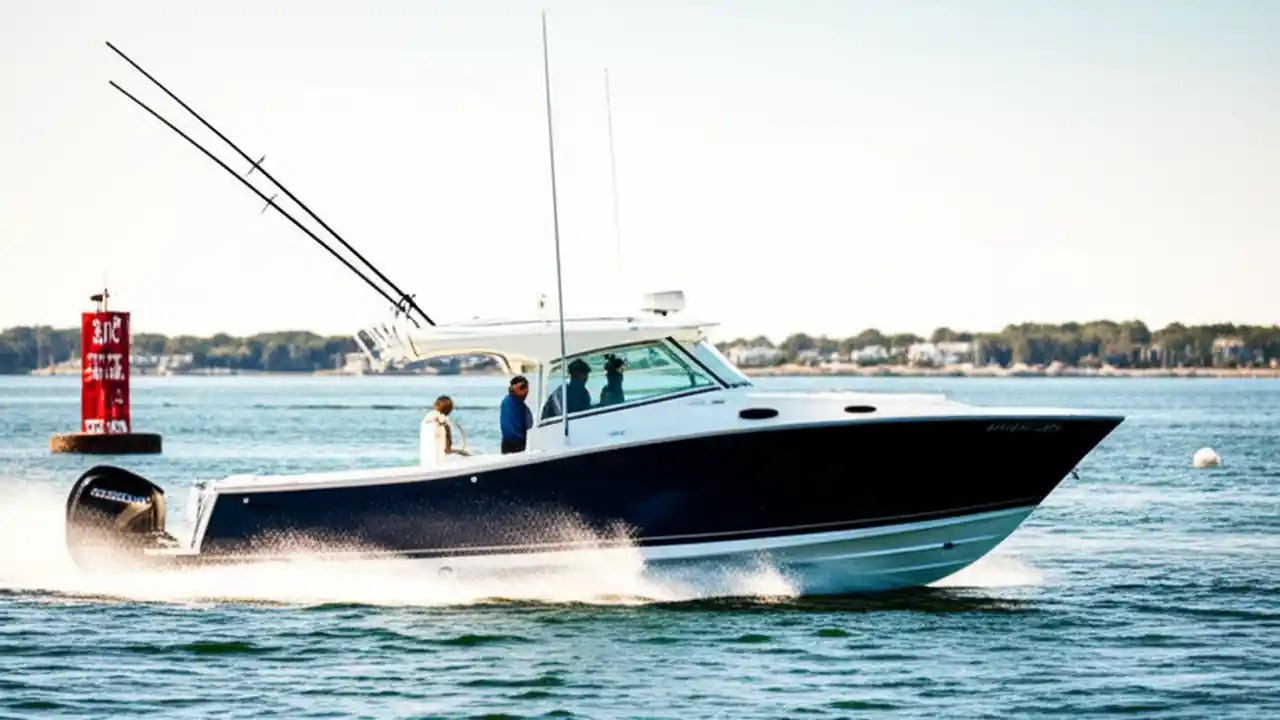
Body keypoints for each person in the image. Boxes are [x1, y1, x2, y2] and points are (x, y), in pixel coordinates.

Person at [420, 395, 469, 466]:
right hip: (440, 464)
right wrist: (461, 452)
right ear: (450, 409)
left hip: (426, 462)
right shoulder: (445, 423)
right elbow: (447, 449)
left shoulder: (427, 418)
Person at [500, 375, 534, 453]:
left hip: (516, 442)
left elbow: (529, 424)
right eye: (522, 387)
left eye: (526, 388)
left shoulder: (522, 406)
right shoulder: (509, 402)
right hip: (514, 442)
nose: (525, 390)